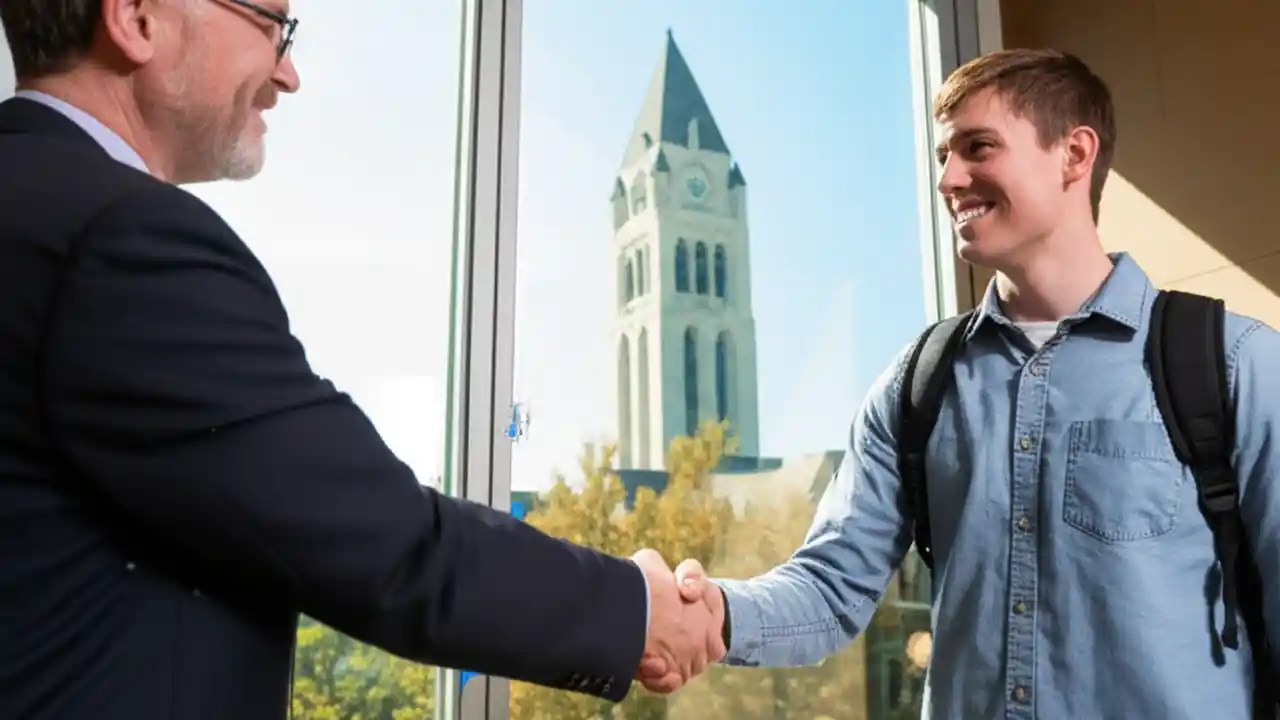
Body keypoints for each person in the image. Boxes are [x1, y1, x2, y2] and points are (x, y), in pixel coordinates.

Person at [0, 1, 723, 718]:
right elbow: (383, 541)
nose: (288, 74)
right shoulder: (120, 238)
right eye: (270, 23)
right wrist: (636, 608)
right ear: (136, 17)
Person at [661, 48, 1280, 717]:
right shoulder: (917, 384)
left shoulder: (1234, 363)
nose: (949, 179)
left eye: (978, 147)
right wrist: (715, 612)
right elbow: (831, 588)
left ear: (1074, 154)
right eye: (942, 157)